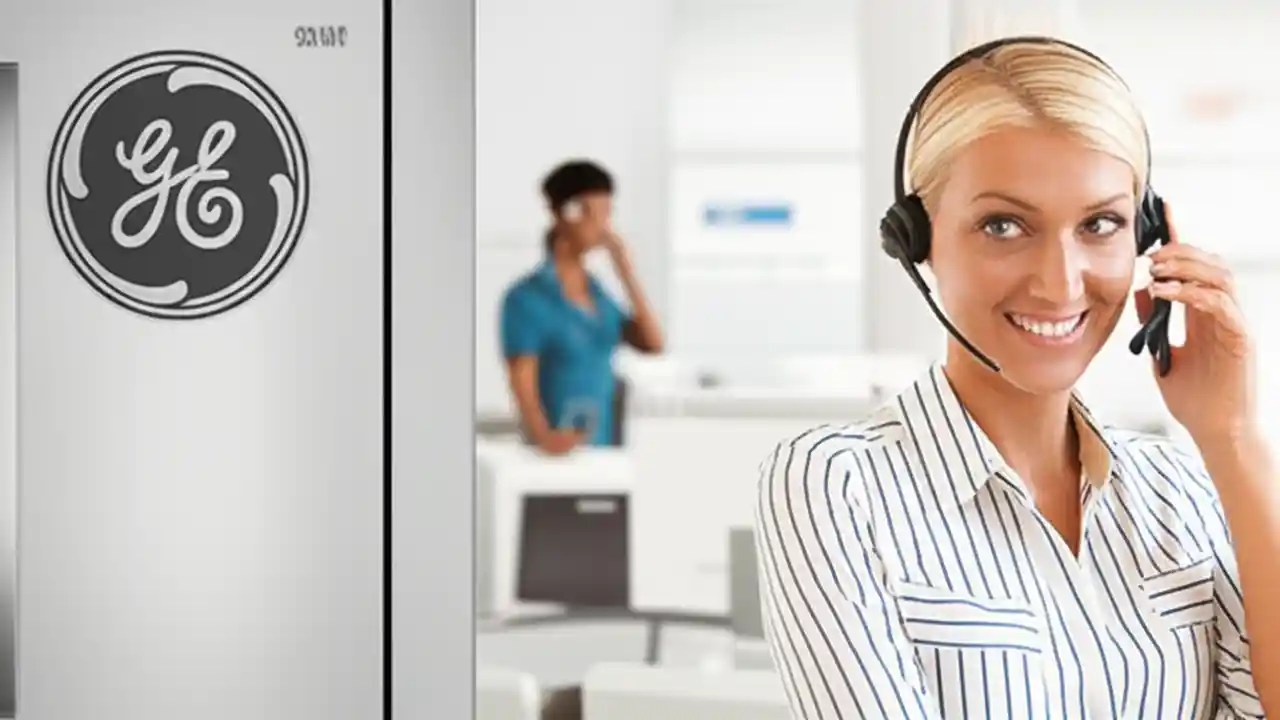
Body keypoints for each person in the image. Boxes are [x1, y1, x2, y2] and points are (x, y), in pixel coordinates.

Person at [755, 37, 1278, 719]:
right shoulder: (838, 484)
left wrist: (1233, 438)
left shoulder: (1181, 488)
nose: (1061, 284)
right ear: (917, 241)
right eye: (1003, 226)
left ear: (1149, 237)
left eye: (1100, 223)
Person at [500, 160, 664, 454]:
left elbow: (653, 344)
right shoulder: (526, 298)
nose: (603, 226)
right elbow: (522, 383)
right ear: (568, 214)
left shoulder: (599, 297)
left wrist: (626, 273)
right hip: (558, 452)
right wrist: (545, 439)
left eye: (607, 213)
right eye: (594, 212)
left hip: (605, 448)